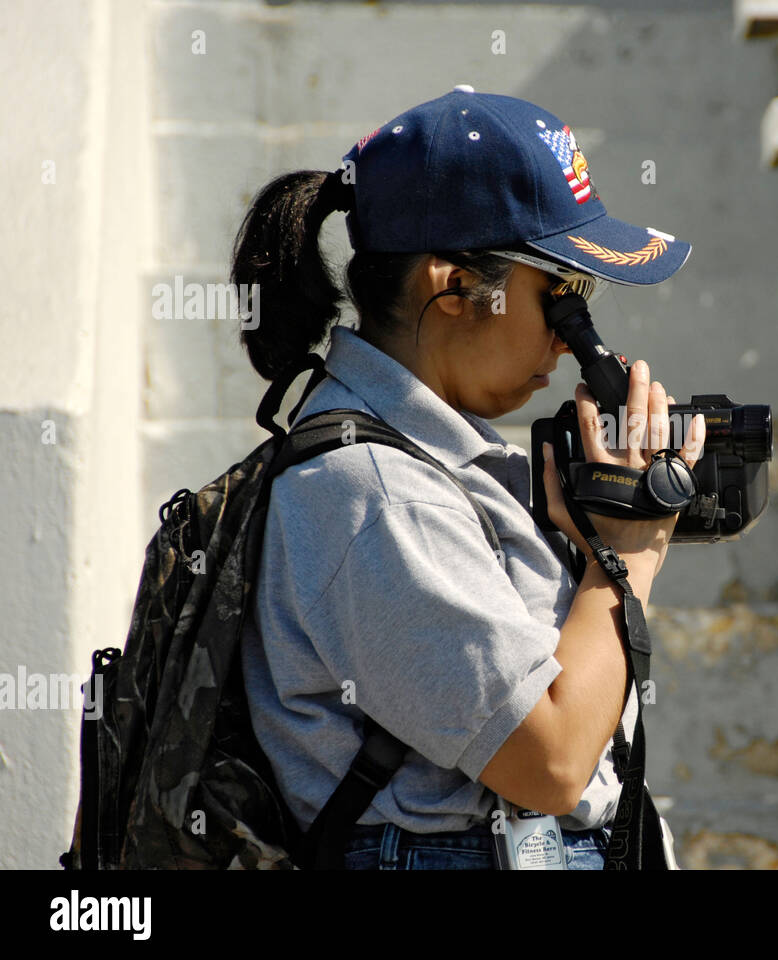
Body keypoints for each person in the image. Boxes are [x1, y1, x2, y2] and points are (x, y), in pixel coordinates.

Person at [233, 88, 702, 870]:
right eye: (561, 291)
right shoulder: (378, 495)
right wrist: (628, 556)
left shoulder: (435, 468)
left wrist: (597, 537)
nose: (570, 336)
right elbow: (551, 761)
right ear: (451, 287)